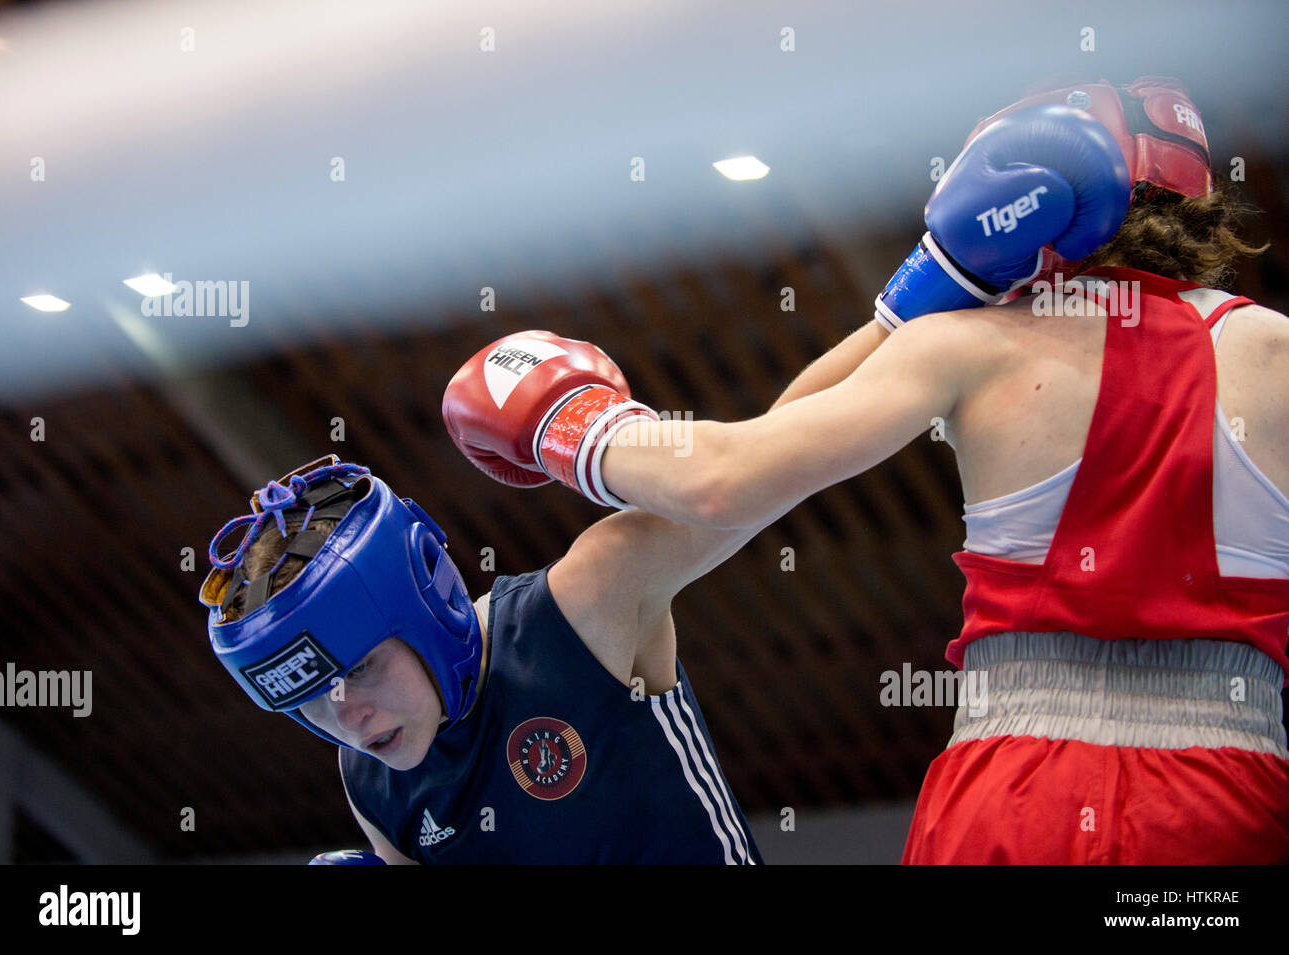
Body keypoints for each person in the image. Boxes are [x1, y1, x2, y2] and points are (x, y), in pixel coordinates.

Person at [445, 78, 1289, 864]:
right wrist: (932, 285)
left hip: (1015, 789)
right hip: (1232, 795)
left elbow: (730, 477)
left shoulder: (972, 345)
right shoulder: (1278, 355)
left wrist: (562, 419)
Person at [201, 318, 904, 865]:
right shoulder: (372, 785)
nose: (347, 712)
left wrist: (912, 304)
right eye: (310, 695)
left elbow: (772, 460)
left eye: (358, 666)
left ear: (422, 608)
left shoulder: (579, 610)